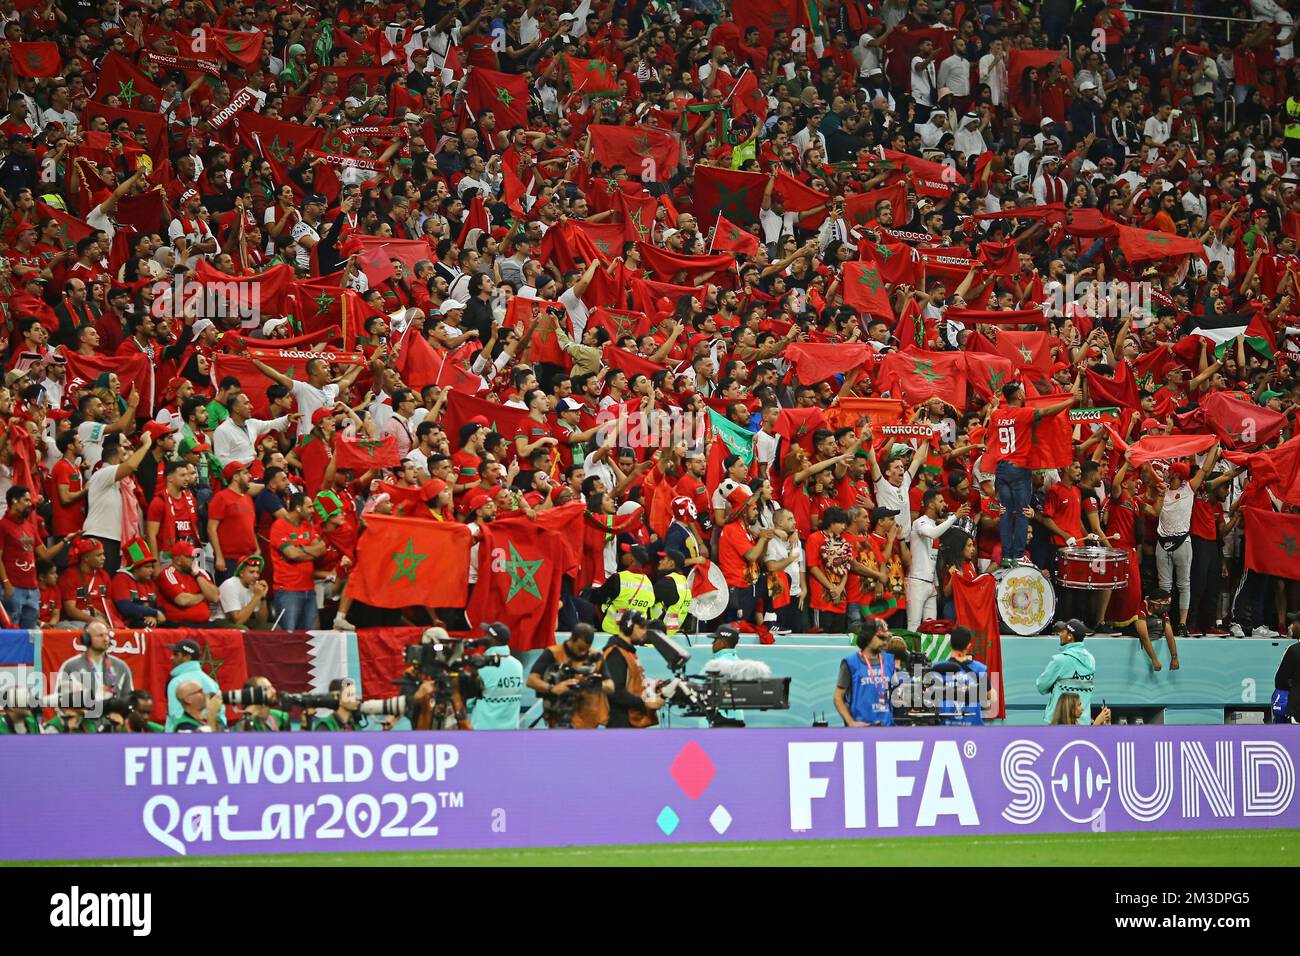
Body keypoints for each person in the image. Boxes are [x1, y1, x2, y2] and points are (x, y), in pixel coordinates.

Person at [527, 622, 613, 728]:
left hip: (588, 720)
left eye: (587, 649)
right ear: (572, 639)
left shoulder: (595, 656)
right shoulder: (553, 653)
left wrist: (595, 684)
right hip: (560, 717)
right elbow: (531, 680)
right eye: (580, 648)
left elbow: (611, 686)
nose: (583, 653)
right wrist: (553, 688)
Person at [601, 610, 664, 728]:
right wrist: (645, 703)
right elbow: (616, 692)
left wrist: (651, 686)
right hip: (621, 723)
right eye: (641, 627)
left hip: (630, 720)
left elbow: (632, 683)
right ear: (630, 627)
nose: (644, 632)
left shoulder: (627, 651)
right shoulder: (616, 653)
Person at [53, 619, 132, 705]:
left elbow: (128, 700)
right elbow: (61, 699)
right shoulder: (71, 666)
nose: (106, 639)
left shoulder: (120, 666)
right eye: (100, 635)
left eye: (107, 635)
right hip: (84, 717)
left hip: (112, 717)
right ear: (87, 639)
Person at [833, 620, 896, 727]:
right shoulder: (850, 663)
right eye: (880, 638)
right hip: (861, 728)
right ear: (868, 637)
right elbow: (838, 697)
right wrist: (851, 722)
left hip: (887, 727)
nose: (884, 642)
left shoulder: (889, 661)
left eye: (886, 638)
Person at [1036, 619, 1097, 725]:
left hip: (1058, 723)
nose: (1059, 634)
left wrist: (1055, 685)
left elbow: (1041, 686)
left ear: (1069, 636)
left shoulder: (1060, 660)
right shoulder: (1091, 659)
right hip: (1083, 724)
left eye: (1063, 631)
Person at [932, 626, 996, 726]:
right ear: (968, 645)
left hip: (946, 726)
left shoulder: (937, 667)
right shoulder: (979, 668)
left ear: (949, 643)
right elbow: (991, 696)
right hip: (973, 726)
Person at [467, 622, 523, 730]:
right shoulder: (518, 665)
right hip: (511, 732)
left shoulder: (482, 667)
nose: (483, 637)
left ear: (491, 640)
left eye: (486, 634)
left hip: (482, 732)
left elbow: (468, 701)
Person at [164, 637, 226, 731]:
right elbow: (221, 717)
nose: (171, 657)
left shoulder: (176, 683)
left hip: (179, 740)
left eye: (176, 654)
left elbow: (176, 717)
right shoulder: (212, 682)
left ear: (187, 657)